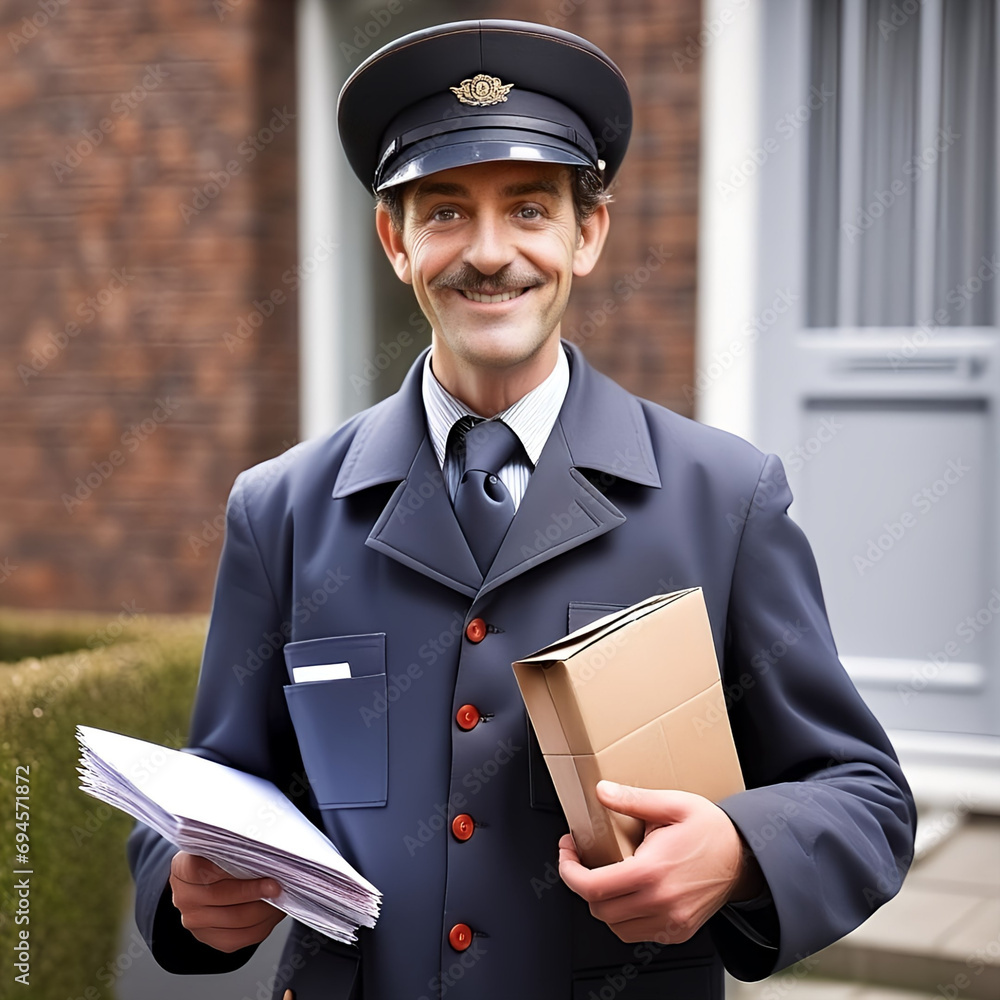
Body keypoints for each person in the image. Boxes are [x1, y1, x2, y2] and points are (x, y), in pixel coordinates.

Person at [127, 19, 916, 1000]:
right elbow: (216, 784)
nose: (489, 254)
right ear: (395, 239)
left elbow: (866, 799)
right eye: (446, 210)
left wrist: (739, 847)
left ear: (587, 234)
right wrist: (179, 885)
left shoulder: (726, 499)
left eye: (530, 210)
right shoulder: (278, 509)